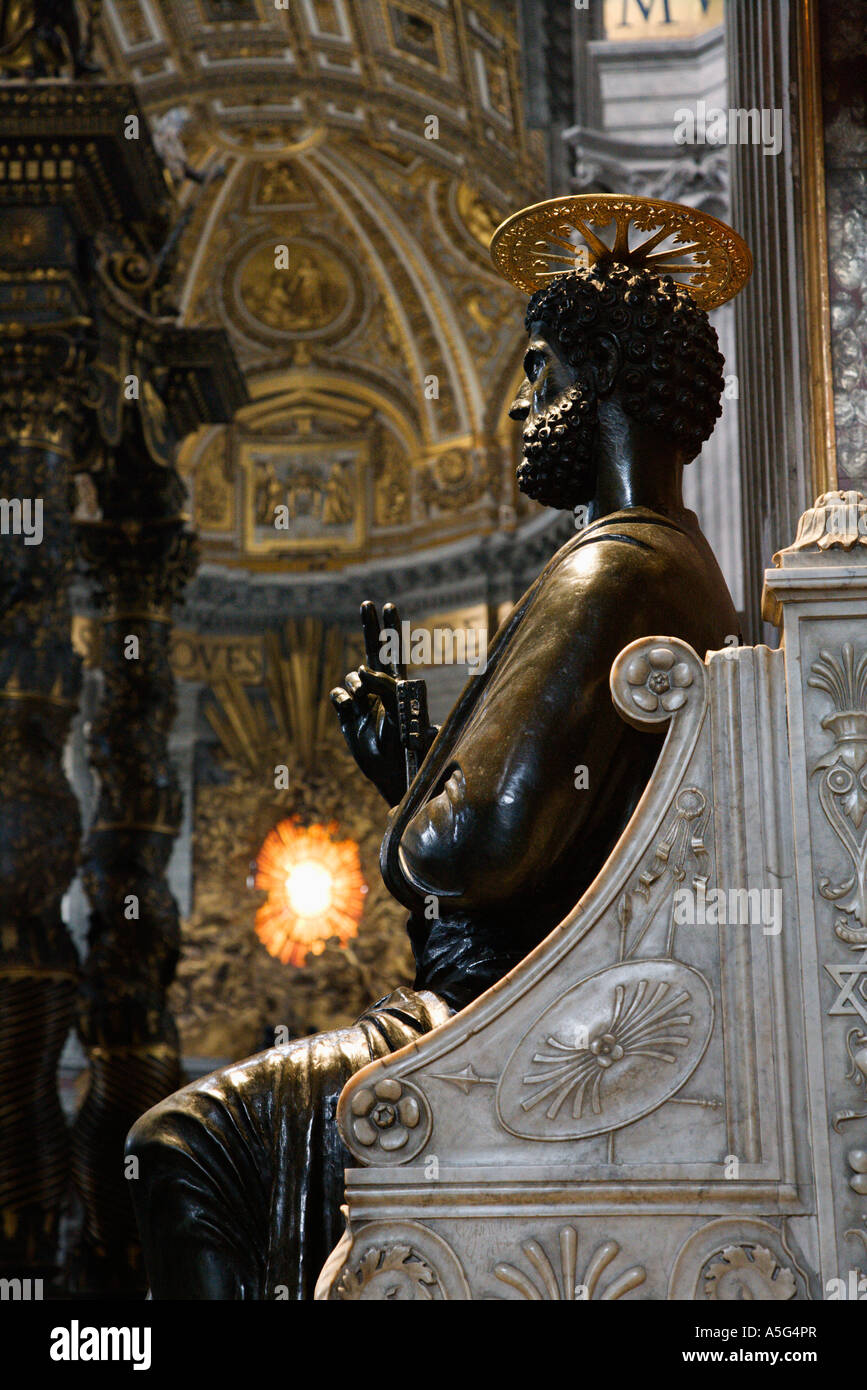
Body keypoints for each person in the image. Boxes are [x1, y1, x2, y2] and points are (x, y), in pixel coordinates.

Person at [127, 254, 740, 1299]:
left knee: (183, 1139)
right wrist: (416, 770)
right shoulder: (670, 562)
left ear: (605, 379)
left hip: (515, 1017)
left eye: (540, 374)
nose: (516, 404)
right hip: (555, 995)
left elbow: (474, 848)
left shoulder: (609, 568)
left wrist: (417, 810)